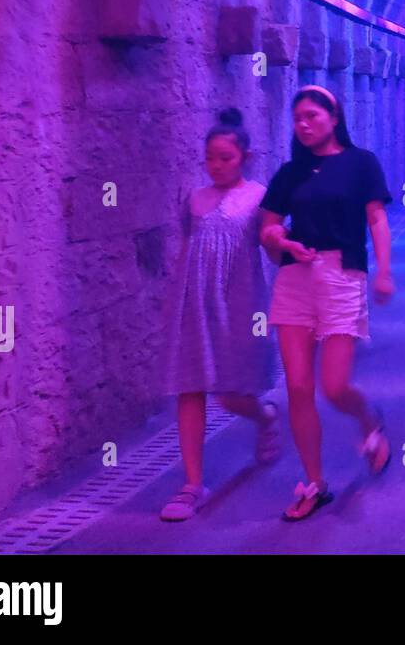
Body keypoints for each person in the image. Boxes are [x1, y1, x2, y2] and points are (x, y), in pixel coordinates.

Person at [259, 85, 397, 521]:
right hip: (295, 279)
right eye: (297, 118)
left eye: (312, 117)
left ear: (333, 118)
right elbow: (268, 229)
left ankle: (368, 420)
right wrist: (281, 241)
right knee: (298, 387)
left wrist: (385, 271)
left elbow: (376, 217)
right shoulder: (289, 173)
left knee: (334, 387)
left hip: (341, 275)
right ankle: (315, 483)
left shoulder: (360, 163)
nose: (303, 125)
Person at [159, 108, 279, 522]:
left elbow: (271, 247)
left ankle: (265, 416)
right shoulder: (194, 199)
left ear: (243, 157)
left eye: (225, 158)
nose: (216, 166)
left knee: (231, 395)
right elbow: (188, 247)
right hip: (193, 302)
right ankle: (192, 484)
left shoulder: (260, 197)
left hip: (240, 301)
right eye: (210, 158)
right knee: (189, 387)